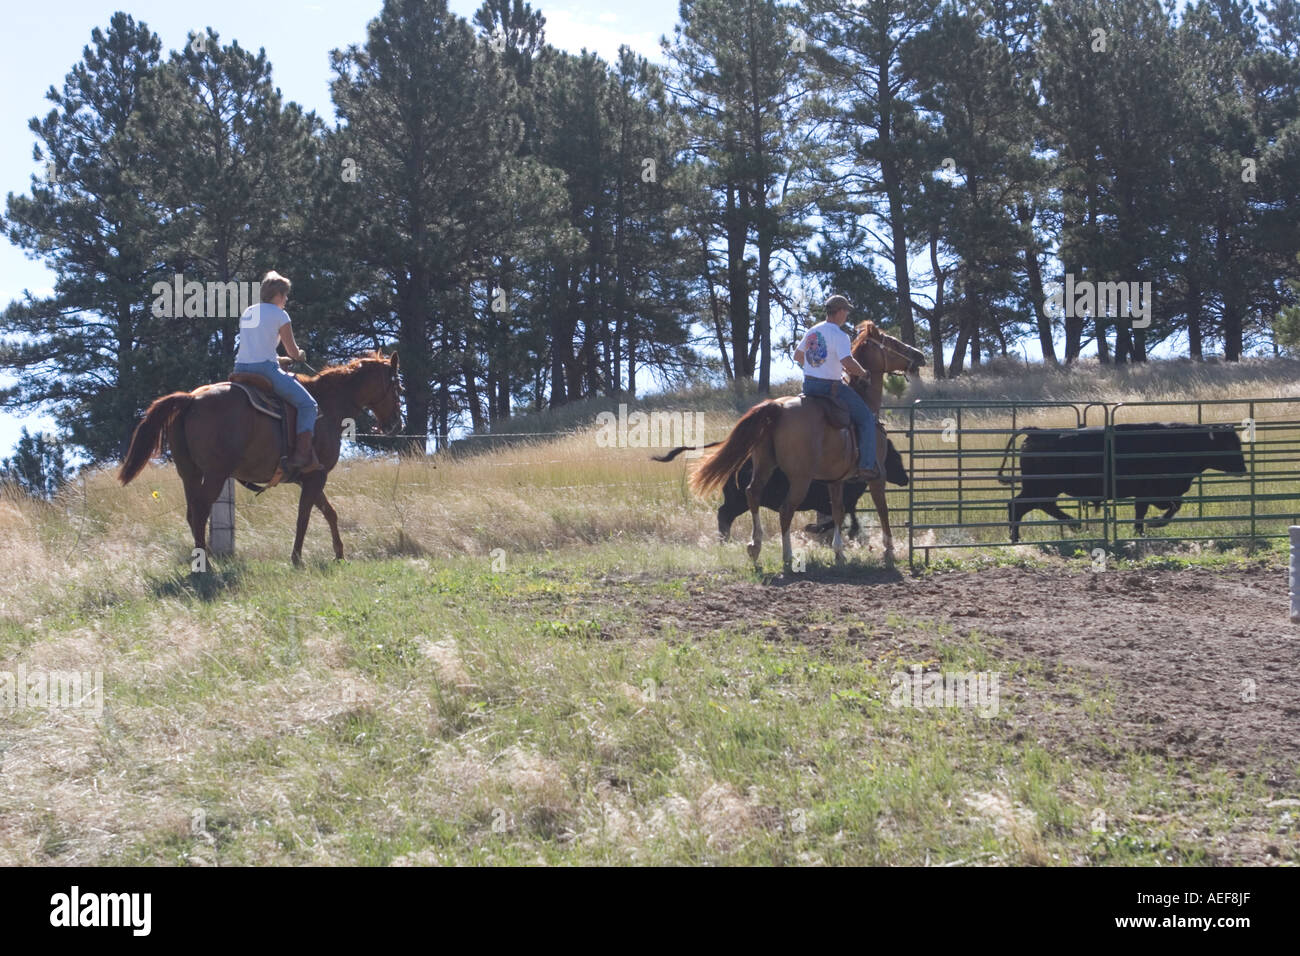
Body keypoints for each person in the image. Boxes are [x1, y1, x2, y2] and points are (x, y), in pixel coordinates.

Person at [233, 271, 321, 473]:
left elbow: (255, 346)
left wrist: (279, 358)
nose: (287, 299)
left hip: (240, 368)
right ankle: (301, 454)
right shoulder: (280, 314)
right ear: (279, 295)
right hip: (265, 369)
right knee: (308, 405)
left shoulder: (249, 312)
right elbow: (292, 350)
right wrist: (298, 355)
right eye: (286, 295)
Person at [793, 294, 878, 482]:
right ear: (839, 312)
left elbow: (798, 356)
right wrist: (863, 373)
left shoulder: (812, 331)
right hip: (830, 388)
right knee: (866, 419)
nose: (846, 315)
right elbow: (847, 361)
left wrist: (816, 365)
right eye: (846, 311)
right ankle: (866, 466)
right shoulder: (840, 335)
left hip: (808, 386)